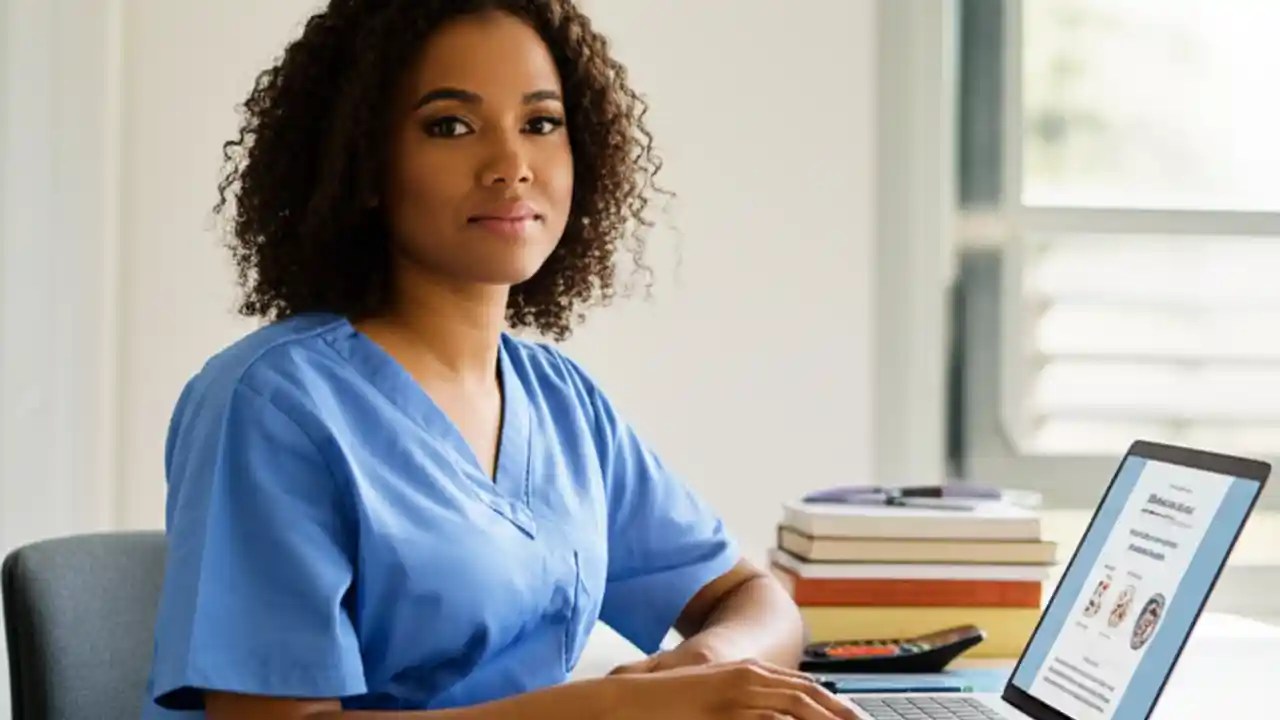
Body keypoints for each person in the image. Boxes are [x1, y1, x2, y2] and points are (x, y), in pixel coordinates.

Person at [142, 1, 855, 719]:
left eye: (541, 123)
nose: (512, 165)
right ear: (364, 163)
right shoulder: (273, 404)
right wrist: (615, 713)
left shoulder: (561, 401)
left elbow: (753, 599)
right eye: (449, 126)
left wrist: (701, 671)